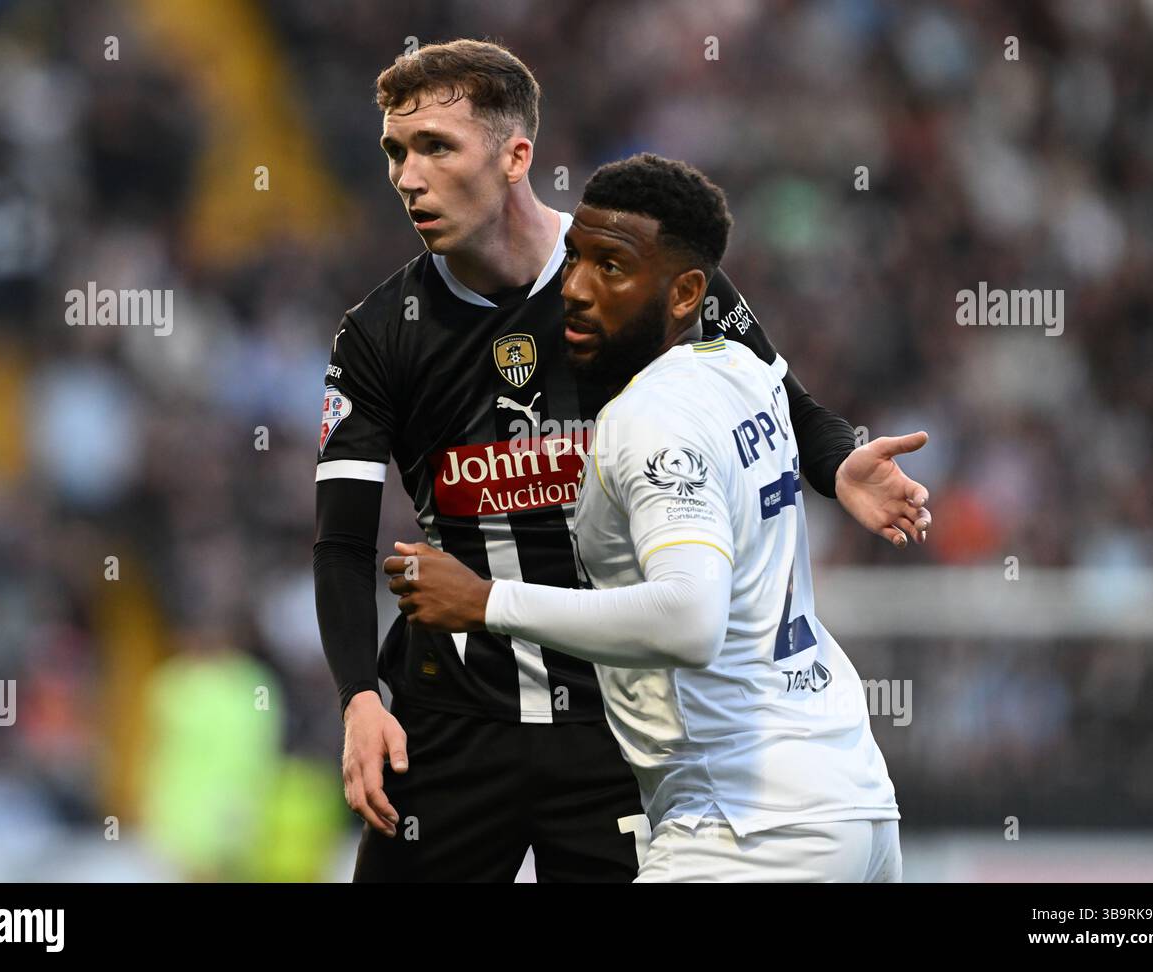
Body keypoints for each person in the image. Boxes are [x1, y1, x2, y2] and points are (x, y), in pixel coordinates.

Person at [315, 39, 929, 881]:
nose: (407, 177)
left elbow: (782, 397)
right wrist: (357, 699)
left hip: (615, 728)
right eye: (395, 151)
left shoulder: (639, 273)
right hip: (454, 724)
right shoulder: (380, 332)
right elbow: (342, 541)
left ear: (514, 155)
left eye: (436, 147)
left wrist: (835, 464)